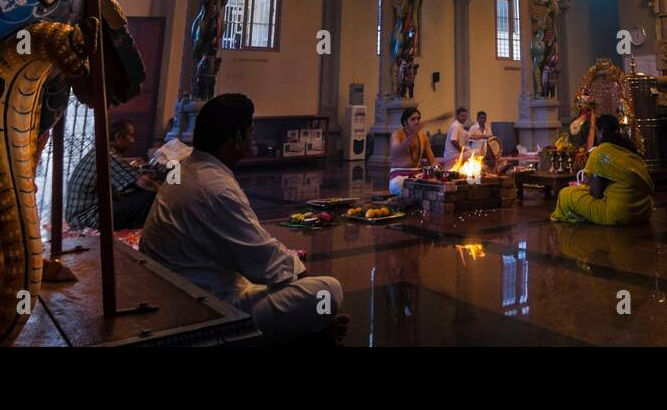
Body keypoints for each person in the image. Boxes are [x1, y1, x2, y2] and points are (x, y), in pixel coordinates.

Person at [140, 93, 345, 344]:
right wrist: (305, 279)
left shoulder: (186, 169)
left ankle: (313, 324)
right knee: (327, 291)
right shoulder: (216, 188)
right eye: (251, 132)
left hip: (173, 290)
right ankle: (314, 326)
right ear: (237, 138)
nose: (252, 139)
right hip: (203, 309)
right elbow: (266, 261)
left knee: (275, 277)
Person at [550, 114, 654, 226]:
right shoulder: (630, 147)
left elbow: (596, 193)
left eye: (597, 131)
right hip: (644, 210)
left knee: (565, 194)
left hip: (620, 213)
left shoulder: (601, 151)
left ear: (602, 131)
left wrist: (589, 183)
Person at [66, 119, 159, 230]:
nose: (133, 141)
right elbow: (145, 183)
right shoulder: (107, 155)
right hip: (87, 219)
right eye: (130, 136)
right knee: (152, 196)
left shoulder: (98, 151)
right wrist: (166, 192)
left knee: (136, 194)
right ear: (118, 137)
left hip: (78, 216)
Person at [388, 106, 436, 173]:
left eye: (418, 119)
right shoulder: (397, 134)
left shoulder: (423, 137)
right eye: (413, 119)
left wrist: (440, 171)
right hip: (399, 174)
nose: (416, 122)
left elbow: (432, 160)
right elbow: (397, 150)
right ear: (405, 122)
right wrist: (414, 133)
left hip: (417, 174)